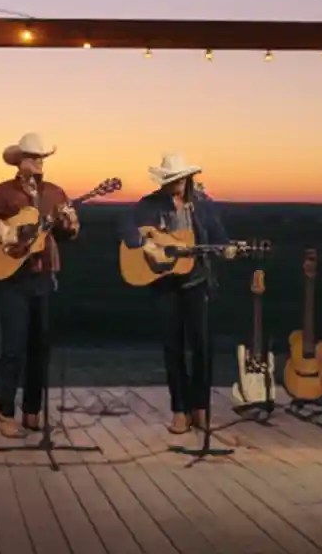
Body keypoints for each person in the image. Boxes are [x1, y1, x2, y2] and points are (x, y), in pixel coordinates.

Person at [0, 132, 80, 438]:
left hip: (43, 276)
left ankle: (31, 410)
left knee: (40, 348)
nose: (39, 162)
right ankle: (5, 413)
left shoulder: (55, 193)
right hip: (13, 279)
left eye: (42, 157)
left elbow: (67, 234)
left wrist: (70, 225)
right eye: (33, 157)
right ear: (20, 161)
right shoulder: (4, 193)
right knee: (12, 348)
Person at [118, 152, 235, 435]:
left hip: (197, 282)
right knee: (173, 348)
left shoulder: (203, 205)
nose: (176, 184)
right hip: (165, 284)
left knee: (202, 347)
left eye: (180, 179)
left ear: (188, 178)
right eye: (171, 179)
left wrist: (227, 249)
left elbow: (218, 236)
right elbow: (125, 227)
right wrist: (146, 244)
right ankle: (179, 411)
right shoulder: (149, 204)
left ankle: (201, 409)